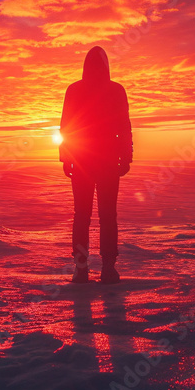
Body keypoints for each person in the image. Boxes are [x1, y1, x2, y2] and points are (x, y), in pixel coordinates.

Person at [59, 46, 132, 284]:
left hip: (89, 160)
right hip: (97, 160)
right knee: (103, 215)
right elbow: (67, 126)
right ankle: (103, 268)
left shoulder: (81, 89)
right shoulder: (113, 90)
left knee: (86, 215)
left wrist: (66, 156)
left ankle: (89, 269)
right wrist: (66, 155)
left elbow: (66, 127)